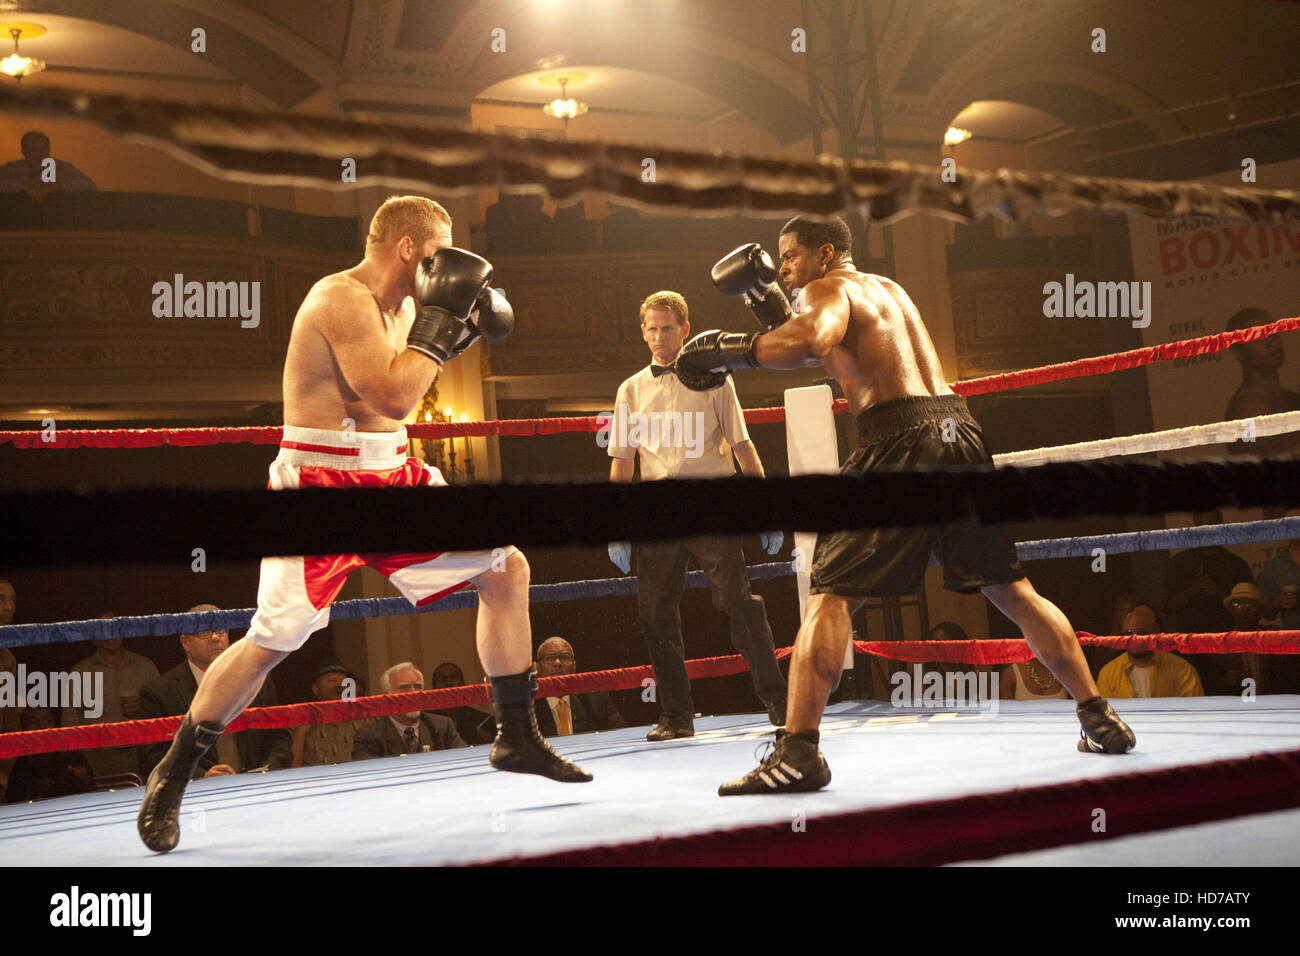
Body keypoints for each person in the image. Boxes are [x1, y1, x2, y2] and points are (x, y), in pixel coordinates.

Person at [137, 196, 590, 854]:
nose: (444, 264)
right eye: (436, 251)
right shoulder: (340, 300)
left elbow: (406, 392)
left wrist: (456, 330)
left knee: (505, 567)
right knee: (274, 637)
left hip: (393, 474)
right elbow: (394, 395)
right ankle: (173, 772)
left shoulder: (405, 308)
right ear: (407, 247)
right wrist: (444, 325)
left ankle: (515, 734)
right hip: (321, 486)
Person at [673, 216, 1135, 795]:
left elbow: (808, 342)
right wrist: (765, 304)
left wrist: (727, 352)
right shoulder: (888, 289)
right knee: (1012, 589)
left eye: (790, 256)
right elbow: (825, 347)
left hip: (898, 440)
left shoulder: (826, 288)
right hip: (958, 432)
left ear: (825, 253)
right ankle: (1099, 717)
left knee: (830, 595)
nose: (784, 267)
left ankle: (798, 753)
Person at [608, 290, 787, 741]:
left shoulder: (716, 379)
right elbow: (623, 461)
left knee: (737, 602)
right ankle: (676, 716)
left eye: (667, 328)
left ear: (685, 330)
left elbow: (742, 445)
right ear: (642, 331)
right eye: (652, 328)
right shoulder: (630, 389)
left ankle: (778, 699)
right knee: (655, 614)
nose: (659, 336)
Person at [138, 606, 292, 779]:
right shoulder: (160, 692)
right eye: (204, 632)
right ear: (185, 642)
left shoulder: (257, 677)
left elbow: (279, 738)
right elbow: (152, 757)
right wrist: (200, 776)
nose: (215, 638)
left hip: (256, 784)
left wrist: (265, 772)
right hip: (195, 791)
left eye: (220, 630)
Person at [63, 625, 160, 781]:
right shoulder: (80, 672)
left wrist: (142, 708)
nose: (110, 636)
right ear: (93, 638)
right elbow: (70, 720)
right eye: (103, 630)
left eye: (114, 629)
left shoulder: (145, 666)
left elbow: (162, 711)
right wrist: (75, 763)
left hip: (140, 753)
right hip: (97, 758)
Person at [1159, 509, 1254, 634]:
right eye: (1201, 527)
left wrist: (1219, 595)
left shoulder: (1237, 565)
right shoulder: (1179, 563)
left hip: (1226, 638)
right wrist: (1193, 590)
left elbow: (1251, 612)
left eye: (1211, 526)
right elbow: (1165, 606)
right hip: (1189, 639)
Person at [352, 663, 467, 759]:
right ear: (388, 697)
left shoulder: (443, 726)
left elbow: (465, 760)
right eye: (404, 688)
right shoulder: (369, 737)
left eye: (417, 687)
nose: (413, 694)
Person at [1097, 604, 1204, 698]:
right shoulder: (1108, 674)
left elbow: (1194, 712)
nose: (1134, 639)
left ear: (1156, 633)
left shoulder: (1182, 670)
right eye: (1128, 633)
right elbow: (1102, 714)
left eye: (1142, 633)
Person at [533, 637, 627, 736]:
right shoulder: (527, 704)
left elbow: (622, 734)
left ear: (574, 666)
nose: (557, 663)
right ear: (537, 667)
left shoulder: (595, 698)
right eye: (549, 658)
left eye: (565, 657)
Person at [291, 660, 366, 767]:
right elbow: (292, 767)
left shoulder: (365, 718)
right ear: (316, 688)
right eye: (332, 680)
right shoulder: (301, 719)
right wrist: (301, 732)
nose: (339, 685)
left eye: (344, 681)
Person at [0, 130, 97, 201]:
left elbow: (89, 185)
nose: (40, 153)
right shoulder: (12, 168)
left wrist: (58, 185)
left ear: (49, 149)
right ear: (23, 150)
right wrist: (23, 185)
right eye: (34, 148)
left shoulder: (62, 168)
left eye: (44, 148)